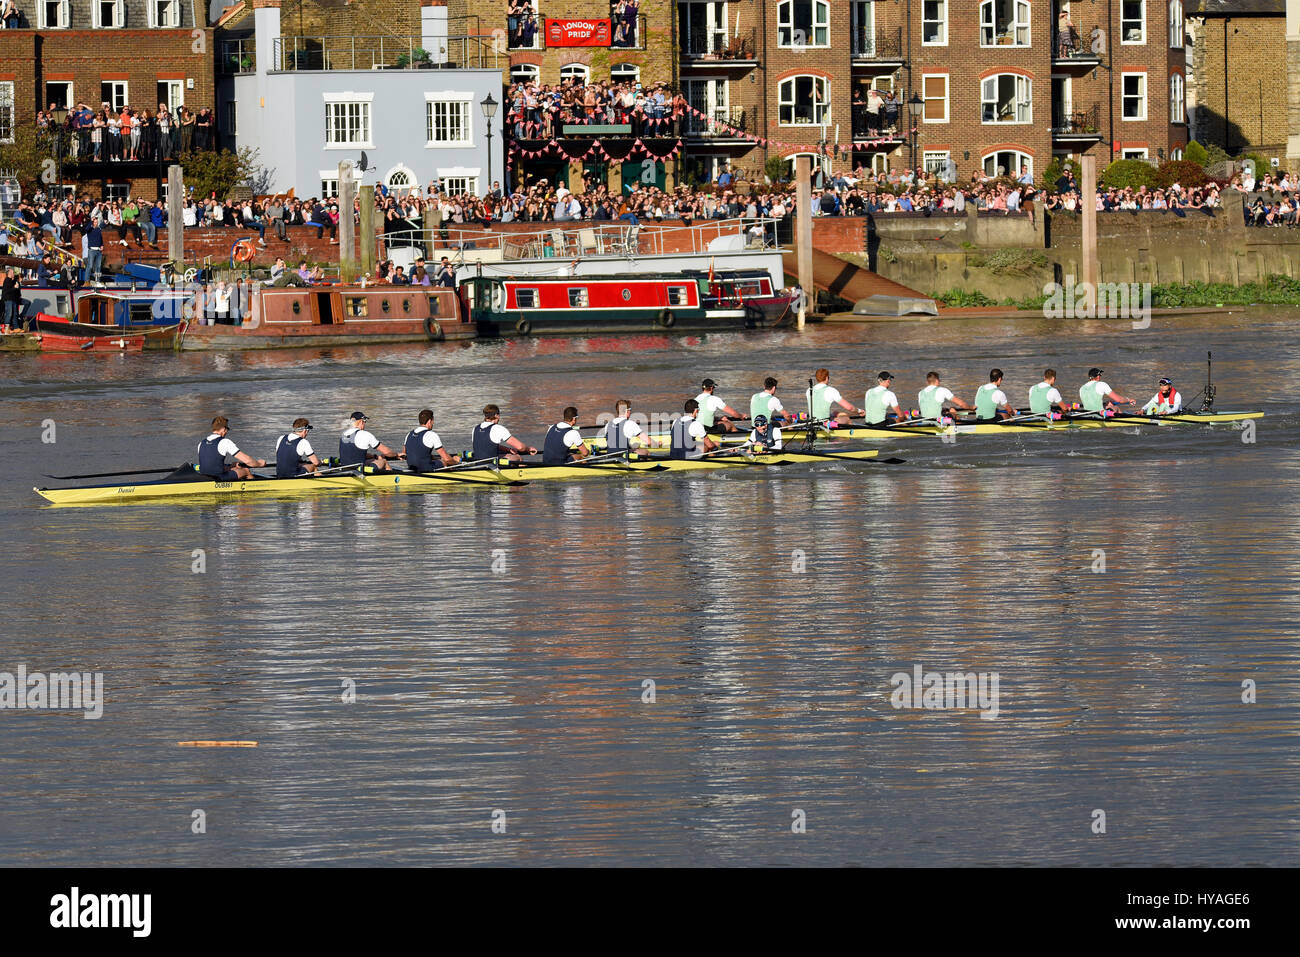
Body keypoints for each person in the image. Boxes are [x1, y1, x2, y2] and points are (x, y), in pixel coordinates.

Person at [197, 416, 265, 481]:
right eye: (227, 429)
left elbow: (211, 465)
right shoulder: (224, 442)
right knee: (246, 470)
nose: (226, 432)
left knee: (234, 469)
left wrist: (230, 467)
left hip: (205, 477)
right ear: (224, 429)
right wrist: (259, 464)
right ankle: (255, 488)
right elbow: (248, 461)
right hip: (219, 478)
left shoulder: (201, 443)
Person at [471, 404, 536, 463]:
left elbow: (487, 445)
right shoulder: (498, 428)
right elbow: (520, 447)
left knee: (507, 454)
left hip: (478, 462)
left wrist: (508, 449)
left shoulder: (475, 428)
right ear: (496, 415)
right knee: (518, 457)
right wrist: (528, 449)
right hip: (491, 465)